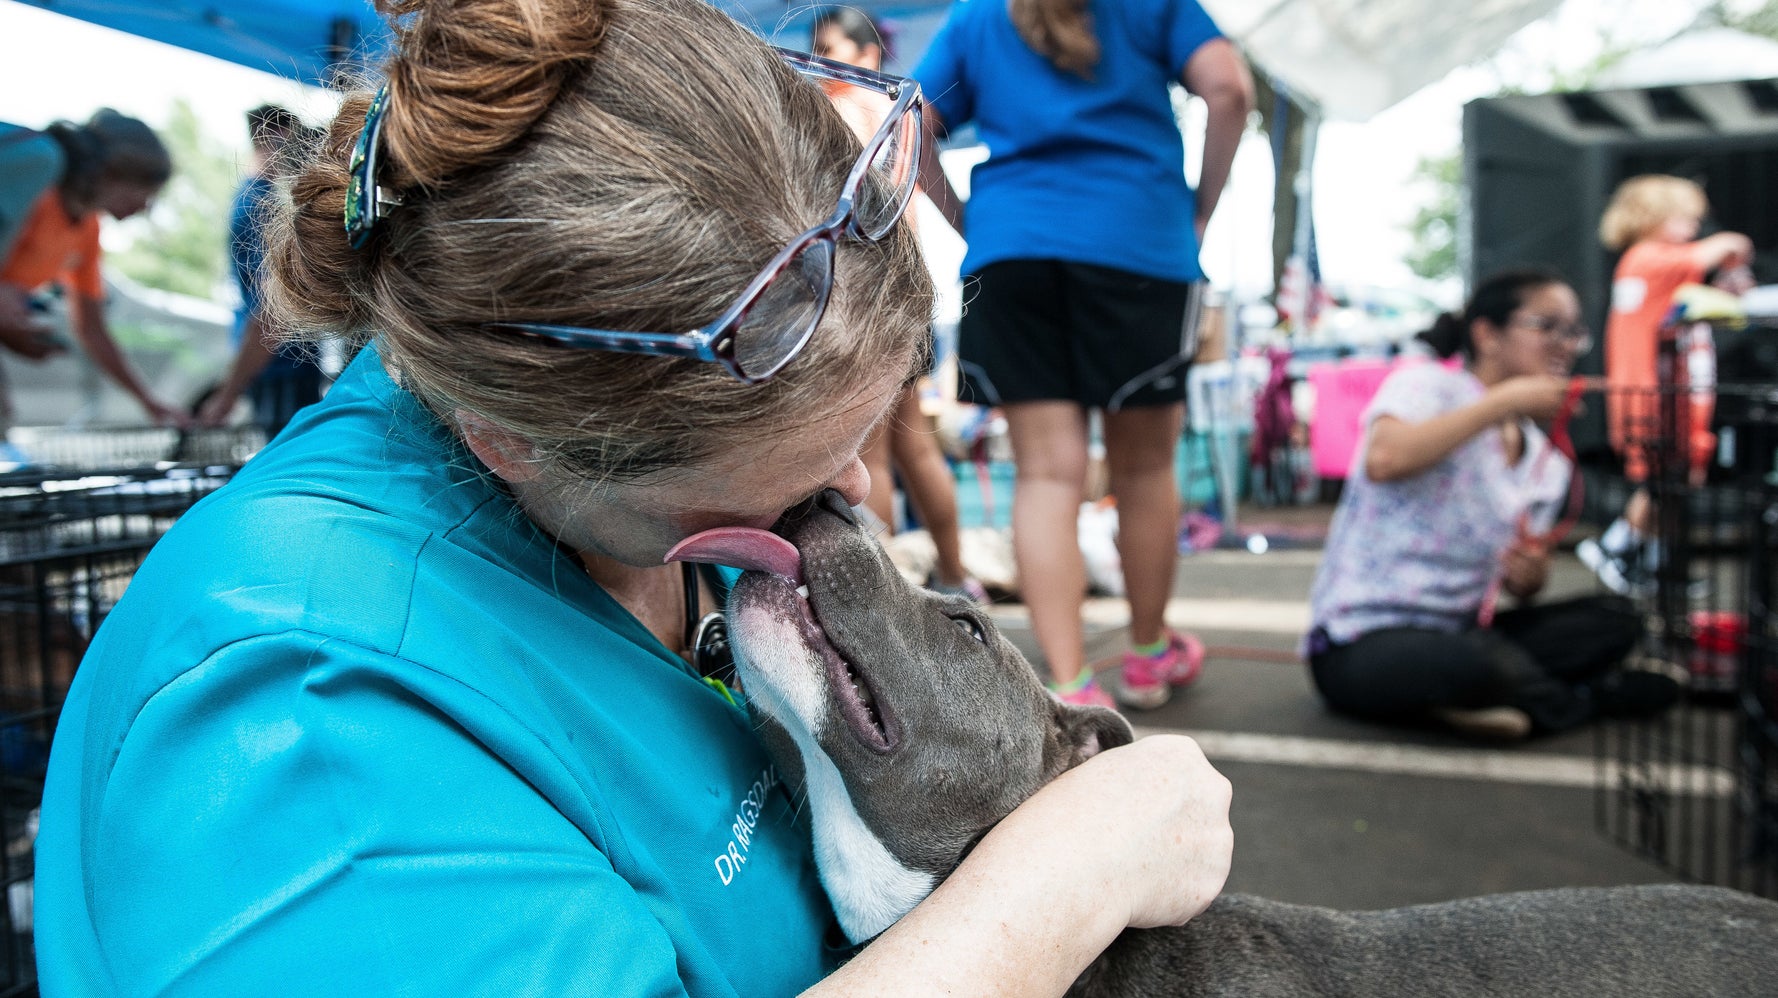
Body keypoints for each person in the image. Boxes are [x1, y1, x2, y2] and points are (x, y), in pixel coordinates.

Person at [34, 0, 1233, 993]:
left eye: (858, 434)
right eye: (778, 486)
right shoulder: (305, 723)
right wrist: (1067, 879)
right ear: (509, 437)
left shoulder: (601, 505)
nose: (858, 489)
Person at [912, 0, 1253, 708]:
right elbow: (1229, 89)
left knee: (1046, 475)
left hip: (1014, 256)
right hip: (1140, 243)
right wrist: (1199, 208)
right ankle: (1149, 656)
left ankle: (1070, 686)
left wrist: (973, 222)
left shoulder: (977, 18)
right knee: (1145, 466)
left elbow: (910, 123)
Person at [1305, 269, 1676, 742]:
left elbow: (1519, 586)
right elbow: (1385, 459)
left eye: (1573, 332)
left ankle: (1485, 701)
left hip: (1460, 632)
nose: (1564, 344)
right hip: (1362, 639)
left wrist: (1530, 577)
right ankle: (1581, 701)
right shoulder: (1426, 387)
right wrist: (1500, 402)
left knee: (1617, 621)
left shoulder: (1545, 461)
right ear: (1486, 333)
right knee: (1476, 664)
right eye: (1547, 326)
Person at [810, 5, 985, 603]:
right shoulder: (898, 111)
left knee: (870, 458)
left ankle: (885, 595)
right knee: (916, 448)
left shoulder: (843, 109)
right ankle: (958, 576)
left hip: (865, 303)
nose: (822, 63)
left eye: (833, 50)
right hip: (907, 300)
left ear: (867, 54)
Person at [1579, 174, 1755, 596]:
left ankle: (1657, 566)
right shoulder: (1647, 258)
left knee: (1675, 486)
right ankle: (1616, 547)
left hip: (1679, 396)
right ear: (1652, 217)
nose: (1693, 227)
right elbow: (1725, 247)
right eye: (1683, 217)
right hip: (1658, 398)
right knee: (1659, 483)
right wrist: (1730, 249)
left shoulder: (1666, 268)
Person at [0, 109, 187, 428]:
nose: (144, 207)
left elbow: (91, 328)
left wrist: (149, 402)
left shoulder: (87, 228)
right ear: (113, 172)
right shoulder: (38, 178)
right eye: (146, 192)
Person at [196, 104, 328, 437]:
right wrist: (229, 393)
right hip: (279, 365)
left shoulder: (255, 197)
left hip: (285, 364)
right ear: (271, 138)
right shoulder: (260, 205)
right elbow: (271, 311)